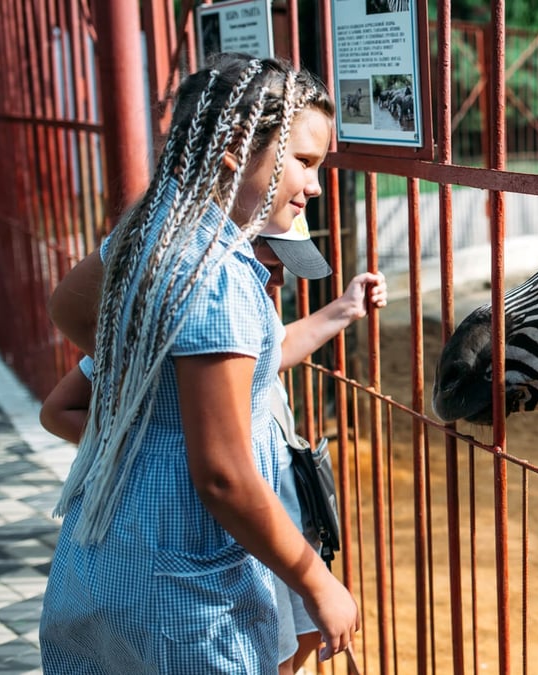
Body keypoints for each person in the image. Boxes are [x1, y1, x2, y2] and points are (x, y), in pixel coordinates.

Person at [40, 53, 366, 672]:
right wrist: (317, 582)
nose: (316, 186)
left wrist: (156, 385)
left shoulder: (152, 231)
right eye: (304, 161)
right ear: (236, 148)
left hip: (101, 562)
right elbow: (222, 476)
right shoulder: (219, 274)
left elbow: (68, 307)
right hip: (185, 601)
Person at [40, 235, 386, 674]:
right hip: (225, 533)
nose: (277, 282)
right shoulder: (197, 315)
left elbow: (274, 350)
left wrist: (344, 310)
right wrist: (158, 448)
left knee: (292, 642)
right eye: (269, 265)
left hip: (268, 517)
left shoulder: (239, 314)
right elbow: (61, 408)